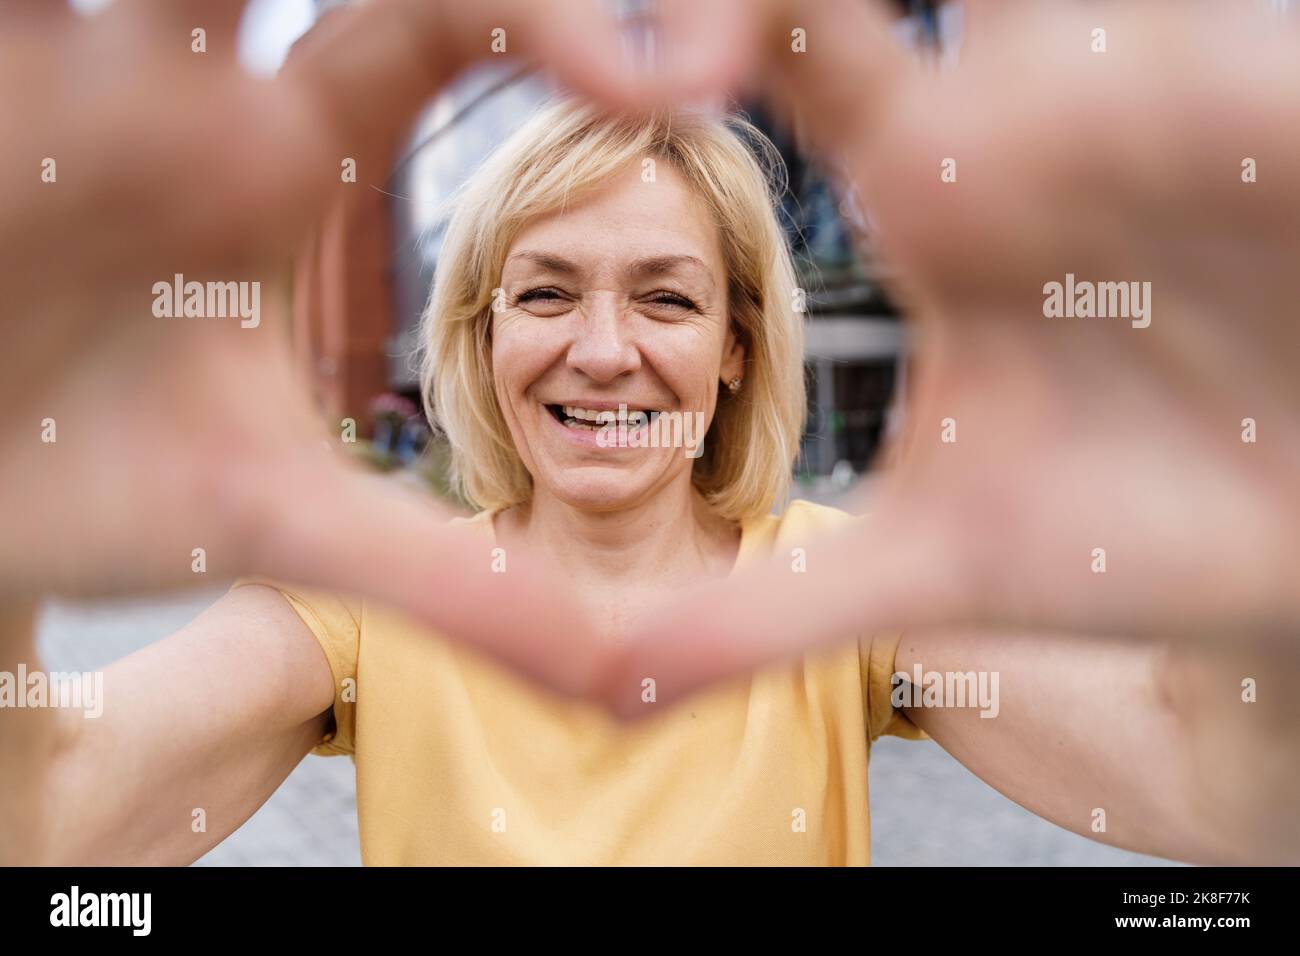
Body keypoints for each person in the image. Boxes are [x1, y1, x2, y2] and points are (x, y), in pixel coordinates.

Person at [8, 99, 1294, 865]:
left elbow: (1218, 774)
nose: (604, 349)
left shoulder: (842, 590)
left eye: (666, 298)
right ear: (483, 333)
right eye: (548, 292)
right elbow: (49, 807)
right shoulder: (368, 598)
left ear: (736, 348)